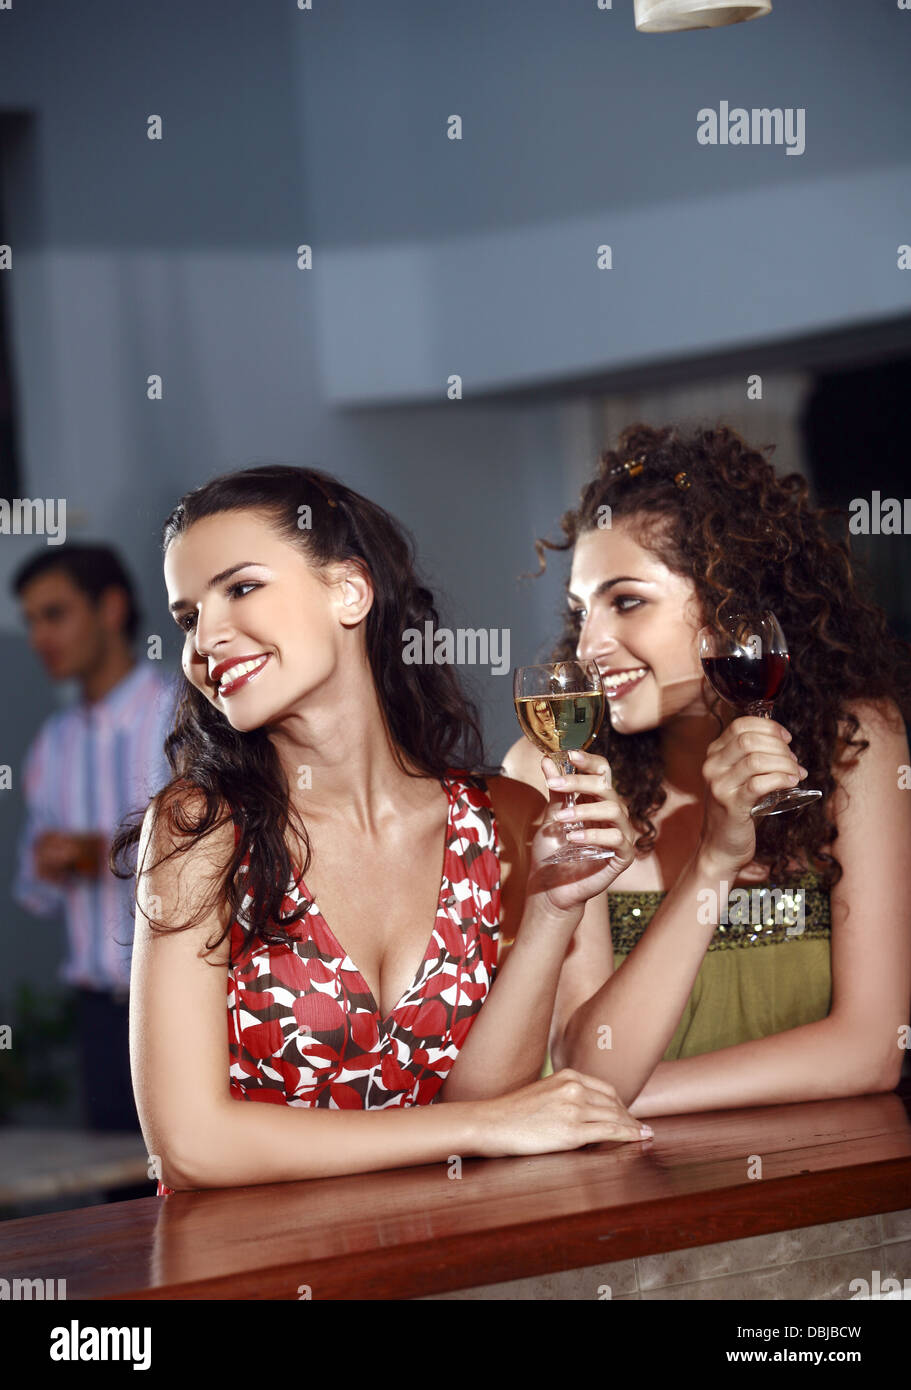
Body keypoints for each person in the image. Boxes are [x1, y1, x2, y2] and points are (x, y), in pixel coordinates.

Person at [112, 464, 662, 1196]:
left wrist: (554, 912)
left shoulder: (501, 819)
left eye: (239, 589)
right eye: (186, 617)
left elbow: (483, 1103)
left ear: (349, 590)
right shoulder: (200, 829)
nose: (205, 639)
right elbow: (190, 1146)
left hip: (444, 1255)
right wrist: (481, 1128)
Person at [504, 423, 911, 1117]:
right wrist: (716, 859)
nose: (589, 645)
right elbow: (591, 1068)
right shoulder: (559, 771)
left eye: (625, 601)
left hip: (819, 1180)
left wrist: (625, 1097)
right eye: (580, 611)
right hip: (617, 1194)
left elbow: (872, 1048)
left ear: (730, 606)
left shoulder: (855, 742)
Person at [11, 544, 177, 1195]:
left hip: (180, 1002)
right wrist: (48, 862)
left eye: (54, 614)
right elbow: (34, 892)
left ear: (110, 608)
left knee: (201, 1199)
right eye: (30, 621)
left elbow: (220, 857)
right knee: (124, 1206)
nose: (40, 637)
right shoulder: (53, 743)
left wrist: (110, 850)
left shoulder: (181, 715)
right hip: (99, 1019)